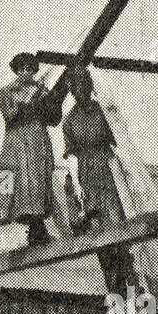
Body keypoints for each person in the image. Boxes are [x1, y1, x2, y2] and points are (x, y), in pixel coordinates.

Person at [0, 53, 63, 245]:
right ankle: (5, 216)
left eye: (30, 69)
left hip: (36, 141)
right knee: (10, 177)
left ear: (34, 70)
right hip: (16, 142)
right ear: (16, 70)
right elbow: (9, 114)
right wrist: (30, 107)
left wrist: (48, 104)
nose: (26, 72)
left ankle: (37, 227)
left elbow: (54, 118)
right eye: (22, 68)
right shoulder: (7, 91)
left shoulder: (42, 90)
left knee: (38, 180)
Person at [63, 65, 125, 233]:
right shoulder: (70, 120)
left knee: (114, 218)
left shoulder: (103, 112)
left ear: (89, 86)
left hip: (106, 169)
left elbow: (118, 142)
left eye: (84, 85)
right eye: (76, 87)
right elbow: (71, 155)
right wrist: (76, 184)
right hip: (85, 172)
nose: (80, 91)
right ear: (72, 91)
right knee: (94, 224)